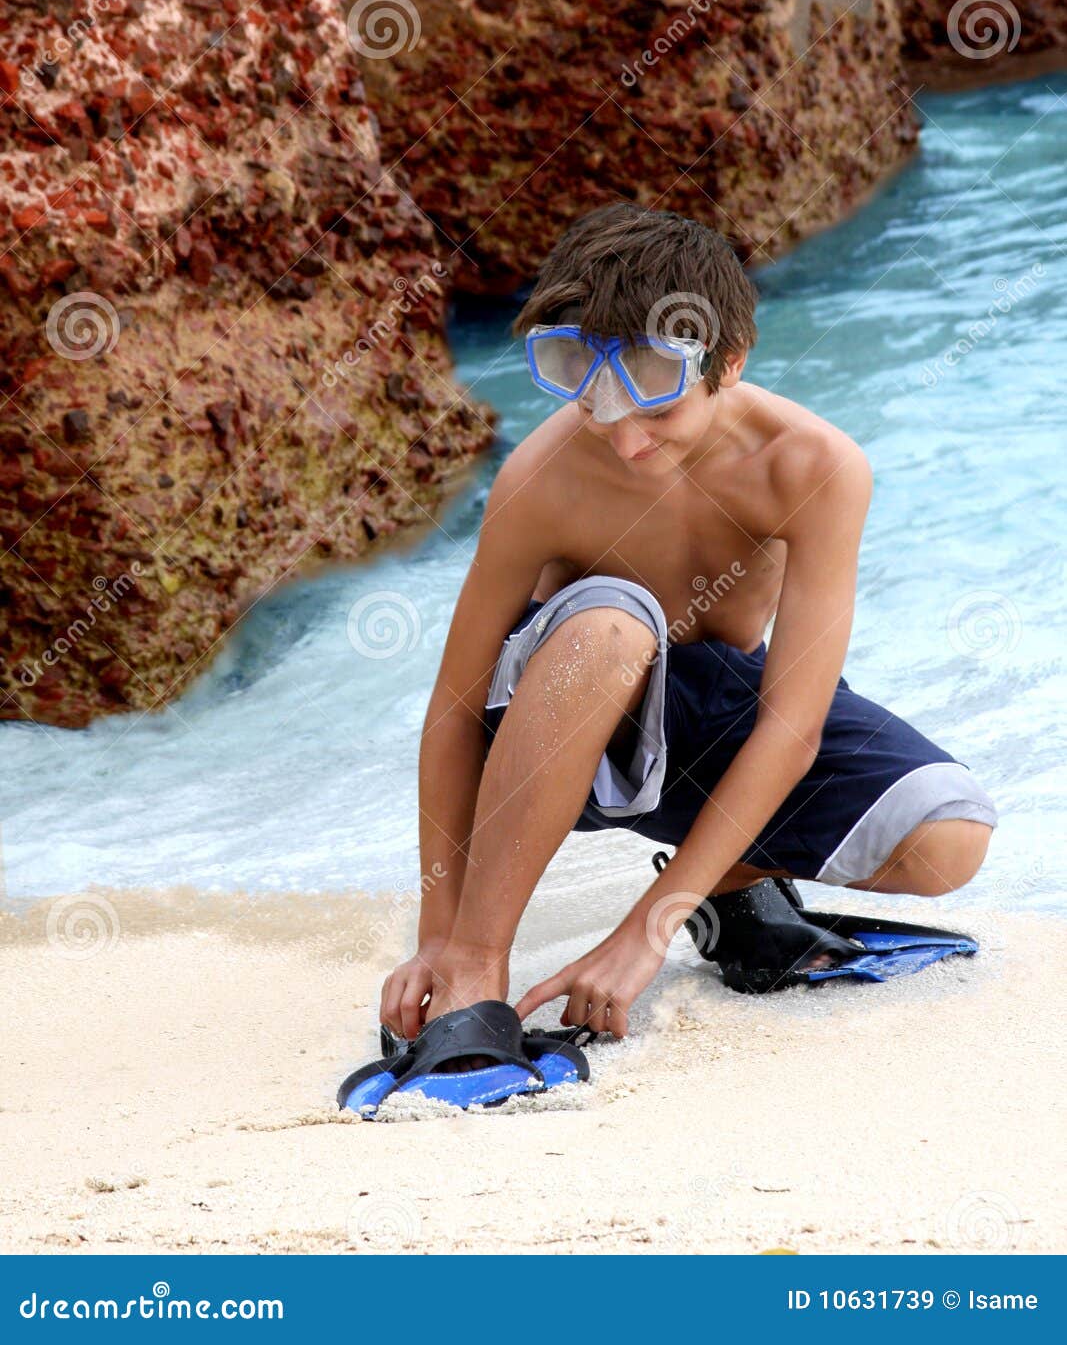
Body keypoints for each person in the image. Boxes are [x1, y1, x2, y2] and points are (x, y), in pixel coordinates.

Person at [380, 202, 996, 1042]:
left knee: (947, 834)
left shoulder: (813, 469)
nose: (623, 440)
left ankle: (723, 892)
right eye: (597, 406)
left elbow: (791, 722)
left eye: (656, 411)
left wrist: (646, 931)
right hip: (550, 741)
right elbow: (454, 715)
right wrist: (442, 941)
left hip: (699, 733)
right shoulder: (543, 478)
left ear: (729, 361)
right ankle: (477, 976)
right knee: (612, 625)